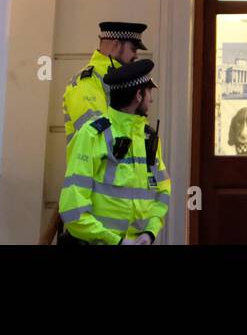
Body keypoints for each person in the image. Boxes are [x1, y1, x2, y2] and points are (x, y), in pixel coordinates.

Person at [58, 60, 170, 245]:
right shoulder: (92, 135)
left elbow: (163, 190)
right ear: (139, 95)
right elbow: (72, 209)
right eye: (149, 91)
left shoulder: (148, 138)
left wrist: (150, 232)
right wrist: (115, 241)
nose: (151, 99)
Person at [63, 21, 146, 148]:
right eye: (133, 49)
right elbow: (94, 133)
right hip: (94, 166)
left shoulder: (124, 80)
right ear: (117, 45)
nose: (136, 55)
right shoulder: (87, 80)